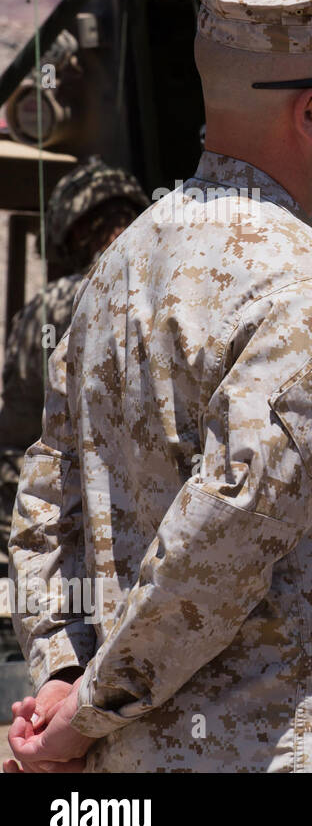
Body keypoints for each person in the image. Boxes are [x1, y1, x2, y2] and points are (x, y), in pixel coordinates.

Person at [4, 0, 312, 772]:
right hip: (276, 745)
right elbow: (219, 540)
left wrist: (60, 671)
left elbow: (46, 486)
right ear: (311, 110)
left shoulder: (121, 265)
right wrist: (84, 710)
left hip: (132, 758)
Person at [0, 158, 147, 546]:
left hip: (84, 541)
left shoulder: (54, 305)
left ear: (77, 228)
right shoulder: (184, 288)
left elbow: (19, 434)